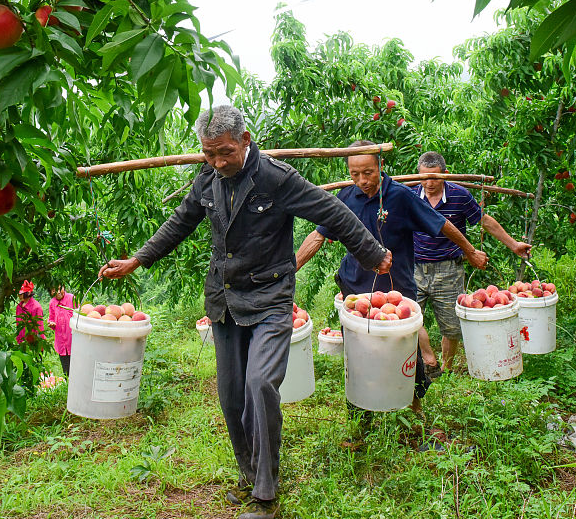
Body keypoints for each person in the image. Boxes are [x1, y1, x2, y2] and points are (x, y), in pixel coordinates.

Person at [100, 105, 389, 519]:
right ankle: (248, 472)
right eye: (208, 154)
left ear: (245, 140)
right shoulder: (208, 177)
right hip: (225, 299)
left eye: (225, 152)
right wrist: (137, 260)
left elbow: (333, 213)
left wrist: (373, 253)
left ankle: (266, 495)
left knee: (260, 384)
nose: (218, 162)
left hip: (271, 296)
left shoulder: (276, 178)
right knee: (231, 394)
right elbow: (180, 222)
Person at [295, 140, 488, 414]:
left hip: (396, 288)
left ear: (380, 166)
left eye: (368, 173)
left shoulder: (400, 196)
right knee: (359, 354)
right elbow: (318, 235)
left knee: (406, 351)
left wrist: (469, 251)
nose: (362, 180)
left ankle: (415, 408)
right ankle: (361, 414)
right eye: (355, 174)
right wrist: (293, 268)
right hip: (356, 289)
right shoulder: (346, 199)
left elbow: (441, 223)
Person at [412, 151, 532, 372]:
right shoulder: (410, 195)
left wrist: (514, 244)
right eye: (424, 177)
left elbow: (484, 221)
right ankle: (429, 359)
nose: (429, 183)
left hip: (449, 269)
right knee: (410, 319)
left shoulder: (460, 195)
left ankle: (446, 370)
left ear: (446, 175)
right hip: (415, 267)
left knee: (451, 327)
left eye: (435, 178)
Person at [15, 281, 47, 395]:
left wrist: (38, 345)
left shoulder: (36, 307)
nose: (19, 296)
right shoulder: (19, 306)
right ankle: (23, 388)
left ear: (28, 293)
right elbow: (18, 324)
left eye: (21, 293)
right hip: (22, 342)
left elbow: (39, 327)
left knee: (33, 367)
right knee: (22, 367)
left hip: (33, 343)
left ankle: (33, 390)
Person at [48, 283, 75, 376]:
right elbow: (51, 318)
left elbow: (80, 314)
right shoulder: (52, 303)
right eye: (55, 290)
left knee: (76, 366)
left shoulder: (71, 298)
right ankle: (67, 385)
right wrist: (51, 323)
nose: (58, 292)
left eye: (60, 289)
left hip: (73, 339)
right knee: (66, 368)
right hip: (61, 341)